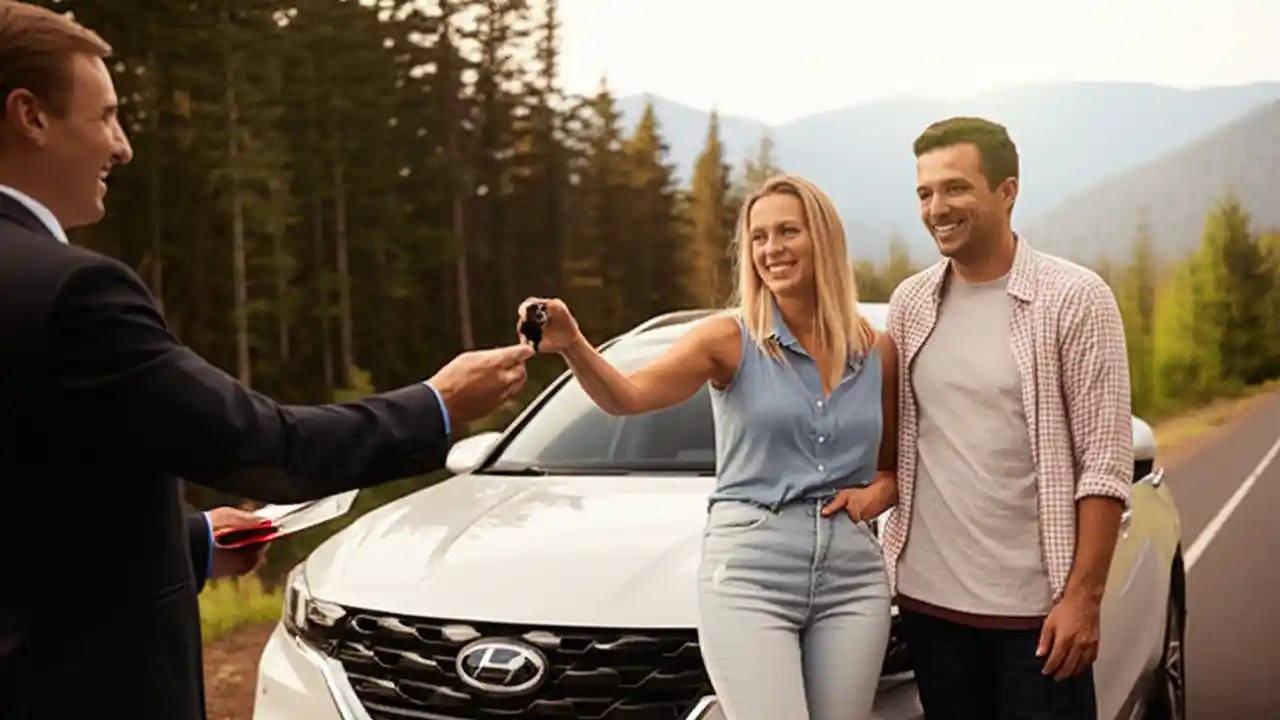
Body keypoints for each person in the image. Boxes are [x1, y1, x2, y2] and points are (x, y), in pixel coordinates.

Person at [0, 3, 532, 719]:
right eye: (105, 117)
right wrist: (438, 403)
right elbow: (265, 445)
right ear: (30, 117)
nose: (122, 147)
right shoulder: (71, 292)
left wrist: (189, 542)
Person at [516, 174, 899, 720]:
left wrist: (878, 494)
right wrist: (574, 345)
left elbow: (892, 468)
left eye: (788, 231)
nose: (772, 249)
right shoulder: (727, 339)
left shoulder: (877, 351)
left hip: (853, 578)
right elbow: (627, 397)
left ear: (824, 240)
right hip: (751, 573)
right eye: (759, 237)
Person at [882, 116, 1132, 719]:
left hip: (1038, 621)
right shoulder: (909, 303)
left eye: (956, 188)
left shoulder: (1075, 298)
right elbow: (887, 442)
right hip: (930, 611)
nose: (937, 207)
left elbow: (1103, 463)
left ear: (1007, 190)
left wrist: (1083, 599)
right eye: (925, 192)